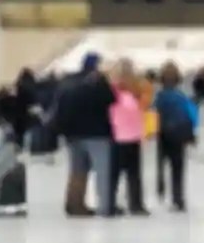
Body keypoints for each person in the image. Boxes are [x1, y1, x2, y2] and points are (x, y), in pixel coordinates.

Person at [54, 52, 116, 217]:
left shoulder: (68, 81)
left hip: (73, 134)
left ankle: (74, 205)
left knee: (77, 171)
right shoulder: (97, 82)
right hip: (97, 133)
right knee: (102, 171)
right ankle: (105, 207)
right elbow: (110, 100)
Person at [107, 59, 150, 216]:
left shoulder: (111, 92)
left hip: (117, 136)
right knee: (134, 174)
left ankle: (110, 203)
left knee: (114, 174)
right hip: (133, 136)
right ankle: (136, 204)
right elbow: (144, 107)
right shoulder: (136, 92)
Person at [153, 62, 197, 212]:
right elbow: (192, 115)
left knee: (161, 163)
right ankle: (178, 198)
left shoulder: (159, 96)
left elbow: (154, 114)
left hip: (163, 133)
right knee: (178, 167)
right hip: (179, 134)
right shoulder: (182, 96)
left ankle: (160, 187)